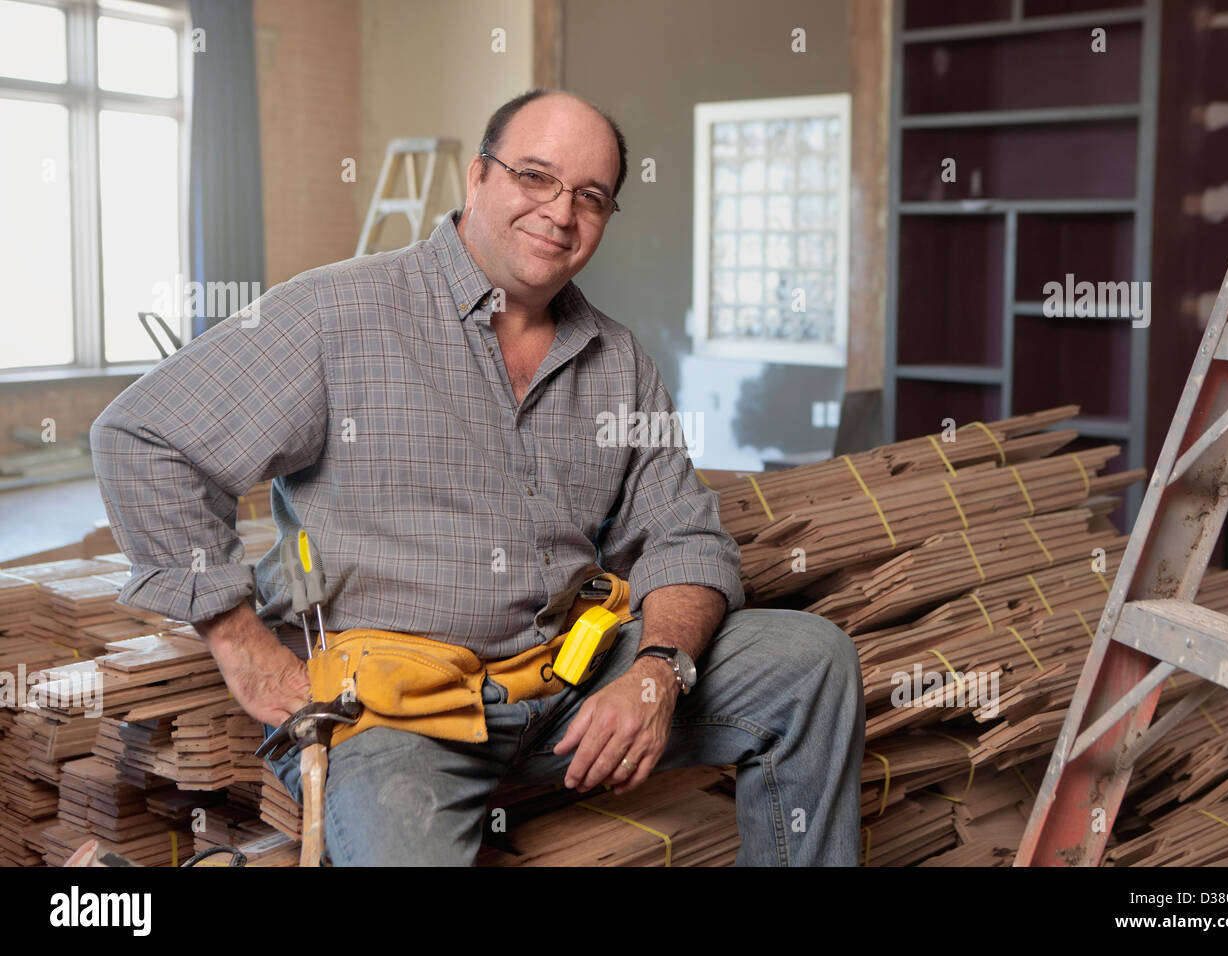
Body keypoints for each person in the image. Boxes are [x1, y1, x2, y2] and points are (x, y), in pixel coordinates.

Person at [90, 88, 864, 866]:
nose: (561, 214)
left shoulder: (618, 362)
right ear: (479, 177)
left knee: (810, 664)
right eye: (535, 177)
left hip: (567, 683)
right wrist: (239, 641)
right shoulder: (339, 315)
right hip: (393, 717)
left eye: (590, 198)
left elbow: (683, 535)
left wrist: (659, 671)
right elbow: (142, 437)